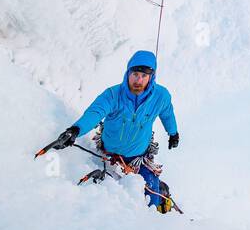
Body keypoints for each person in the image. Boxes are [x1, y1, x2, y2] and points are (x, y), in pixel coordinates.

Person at [43, 49, 180, 211]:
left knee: (152, 195)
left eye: (144, 76)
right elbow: (94, 113)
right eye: (135, 74)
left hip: (139, 155)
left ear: (152, 77)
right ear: (127, 73)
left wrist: (173, 133)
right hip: (109, 152)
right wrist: (75, 130)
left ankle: (157, 204)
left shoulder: (161, 96)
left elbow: (167, 114)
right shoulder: (113, 95)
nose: (139, 80)